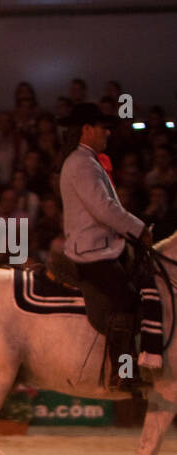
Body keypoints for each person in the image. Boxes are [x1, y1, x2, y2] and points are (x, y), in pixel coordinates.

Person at [58, 102, 160, 386]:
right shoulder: (81, 164)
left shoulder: (88, 161)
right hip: (91, 251)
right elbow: (104, 209)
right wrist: (139, 230)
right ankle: (122, 372)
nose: (108, 133)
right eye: (104, 128)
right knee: (126, 299)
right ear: (87, 129)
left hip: (105, 245)